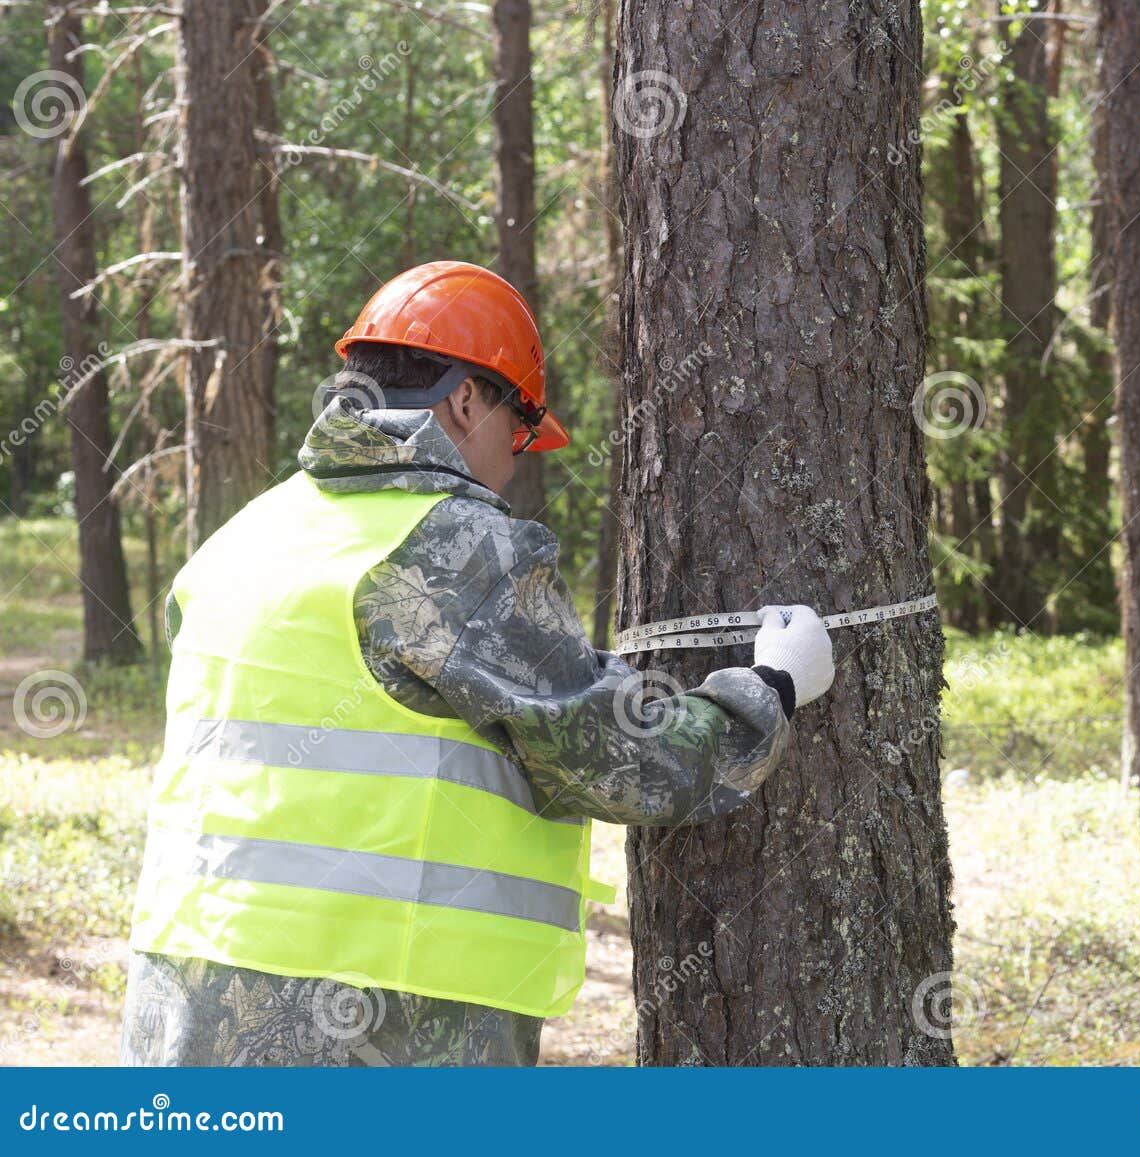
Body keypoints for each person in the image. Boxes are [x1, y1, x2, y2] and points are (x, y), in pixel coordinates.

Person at [119, 261, 835, 1066]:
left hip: (181, 1001)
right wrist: (769, 687)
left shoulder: (246, 534)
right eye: (520, 425)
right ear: (465, 400)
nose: (516, 458)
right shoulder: (453, 544)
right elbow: (625, 756)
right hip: (373, 1023)